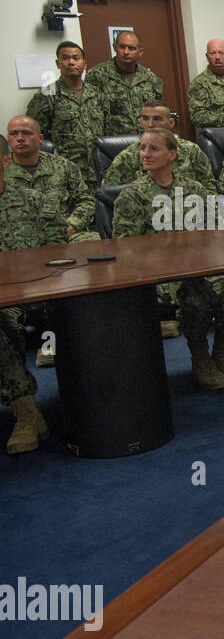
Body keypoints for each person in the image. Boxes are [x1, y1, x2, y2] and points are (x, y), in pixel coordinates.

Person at [113, 128, 224, 390]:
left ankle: (221, 353)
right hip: (161, 271)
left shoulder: (194, 188)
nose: (146, 154)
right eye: (143, 148)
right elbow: (125, 246)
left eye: (154, 148)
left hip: (201, 263)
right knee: (195, 295)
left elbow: (214, 231)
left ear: (172, 154)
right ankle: (200, 358)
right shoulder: (132, 195)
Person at [0, 134, 95, 453]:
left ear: (5, 162)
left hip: (41, 289)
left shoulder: (33, 201)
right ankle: (27, 412)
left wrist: (45, 287)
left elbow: (60, 251)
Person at [3, 116, 95, 245]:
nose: (20, 138)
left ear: (40, 138)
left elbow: (86, 201)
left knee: (93, 242)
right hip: (15, 238)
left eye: (26, 133)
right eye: (14, 134)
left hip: (64, 234)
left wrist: (73, 225)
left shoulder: (63, 166)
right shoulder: (2, 170)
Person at [25, 40, 100, 186]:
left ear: (85, 64)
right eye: (65, 58)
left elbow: (107, 130)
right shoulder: (46, 95)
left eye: (76, 58)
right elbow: (35, 137)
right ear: (58, 63)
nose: (71, 62)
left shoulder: (97, 93)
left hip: (98, 169)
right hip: (65, 171)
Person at [101, 101, 212, 188]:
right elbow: (109, 195)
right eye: (145, 119)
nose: (150, 124)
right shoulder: (128, 157)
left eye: (157, 119)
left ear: (171, 123)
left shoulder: (192, 151)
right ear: (141, 122)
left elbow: (209, 187)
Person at [83, 30, 164, 136]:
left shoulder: (151, 78)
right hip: (112, 144)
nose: (126, 52)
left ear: (140, 51)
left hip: (145, 140)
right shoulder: (97, 75)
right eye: (122, 47)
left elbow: (157, 113)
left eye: (131, 48)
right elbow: (90, 115)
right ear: (115, 47)